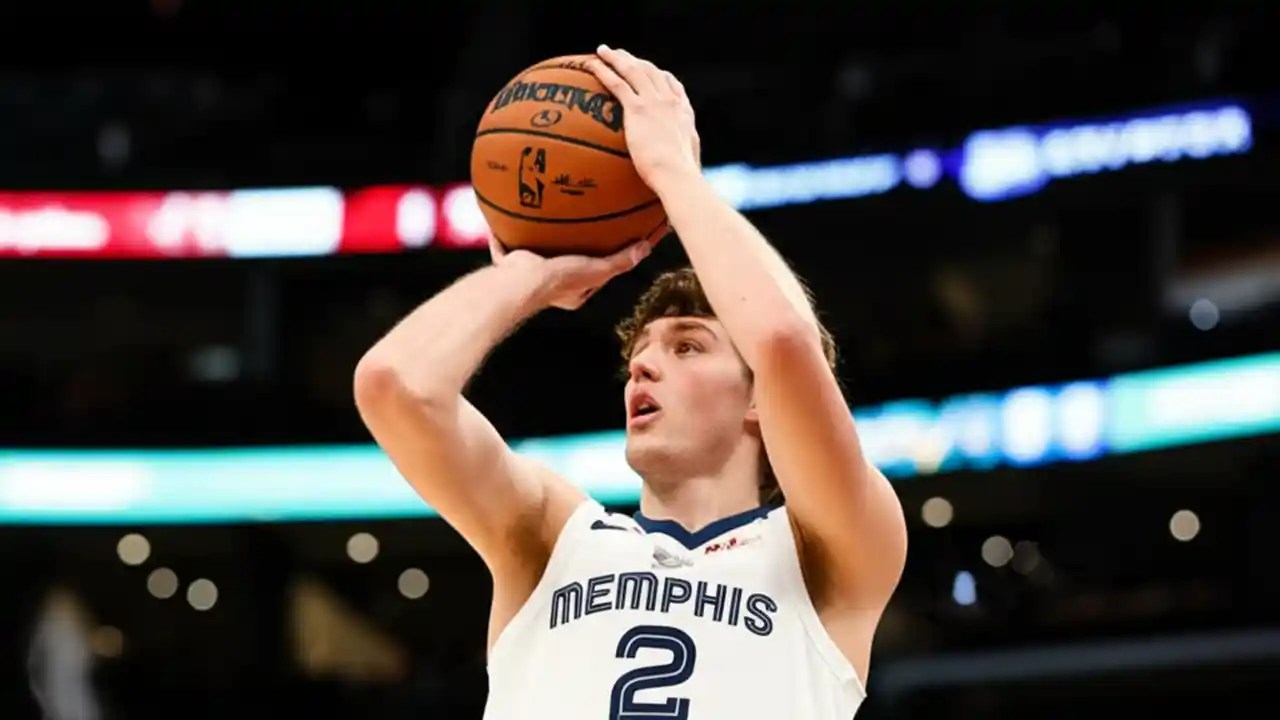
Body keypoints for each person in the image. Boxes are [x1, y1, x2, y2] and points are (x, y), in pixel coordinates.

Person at [354, 45, 907, 719]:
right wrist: (529, 275)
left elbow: (784, 342)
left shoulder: (829, 552)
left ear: (759, 396)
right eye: (641, 353)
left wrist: (673, 172)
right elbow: (394, 385)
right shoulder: (552, 538)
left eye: (687, 347)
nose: (642, 366)